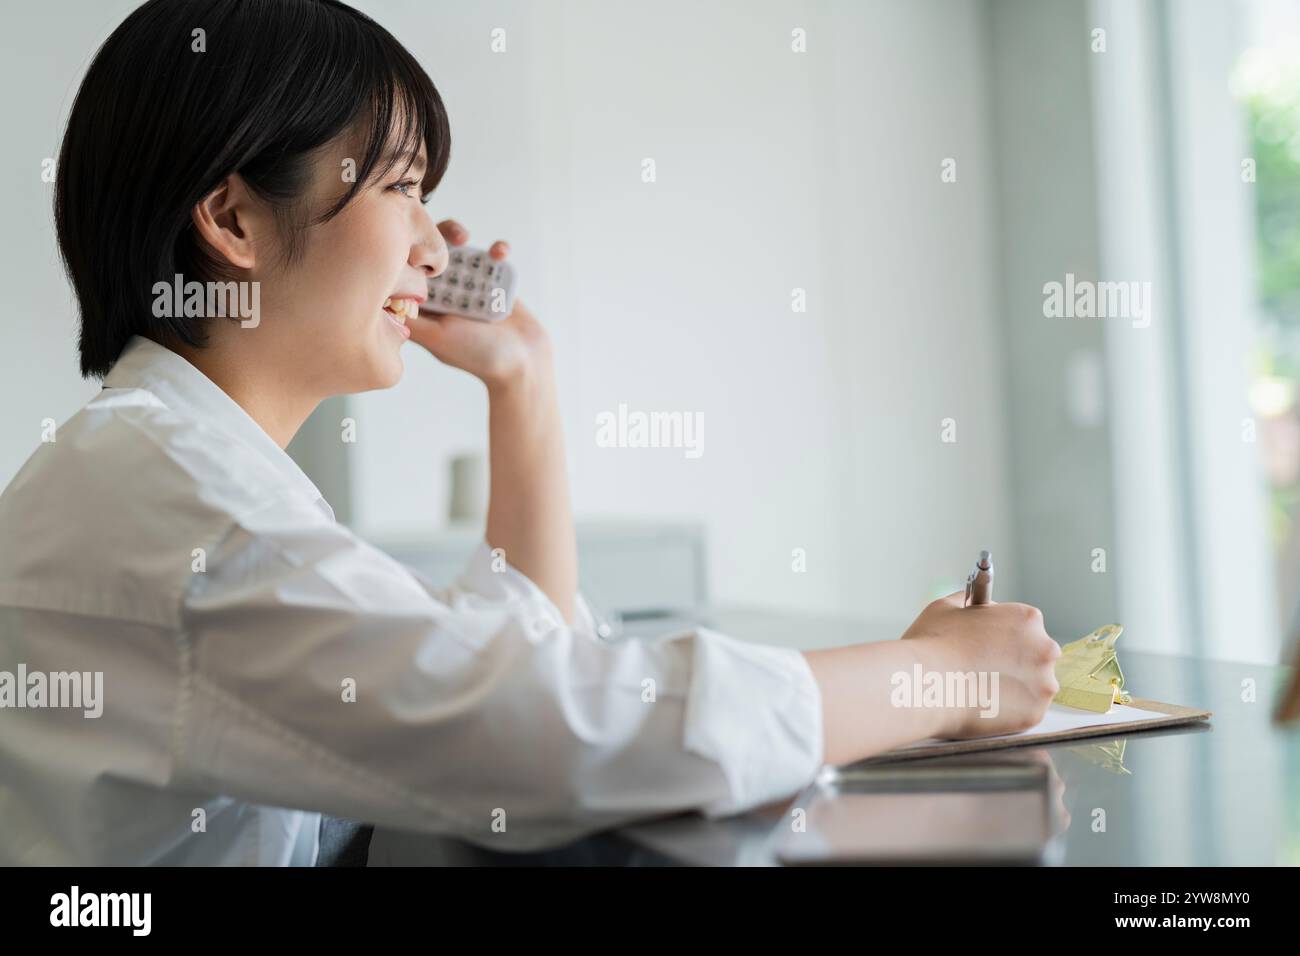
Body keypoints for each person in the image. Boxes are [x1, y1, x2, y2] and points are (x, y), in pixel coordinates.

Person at [0, 0, 1060, 865]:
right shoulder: (187, 507)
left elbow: (504, 671)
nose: (428, 237)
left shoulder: (169, 466)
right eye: (403, 184)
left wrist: (522, 379)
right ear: (232, 220)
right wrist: (941, 678)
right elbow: (554, 733)